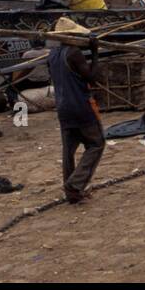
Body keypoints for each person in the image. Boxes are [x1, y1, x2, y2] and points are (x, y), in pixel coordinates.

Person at [47, 17, 104, 204]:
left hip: (63, 107)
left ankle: (71, 191)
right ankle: (75, 184)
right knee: (96, 144)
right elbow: (92, 78)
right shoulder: (74, 53)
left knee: (68, 151)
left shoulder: (53, 55)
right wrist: (95, 52)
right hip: (80, 105)